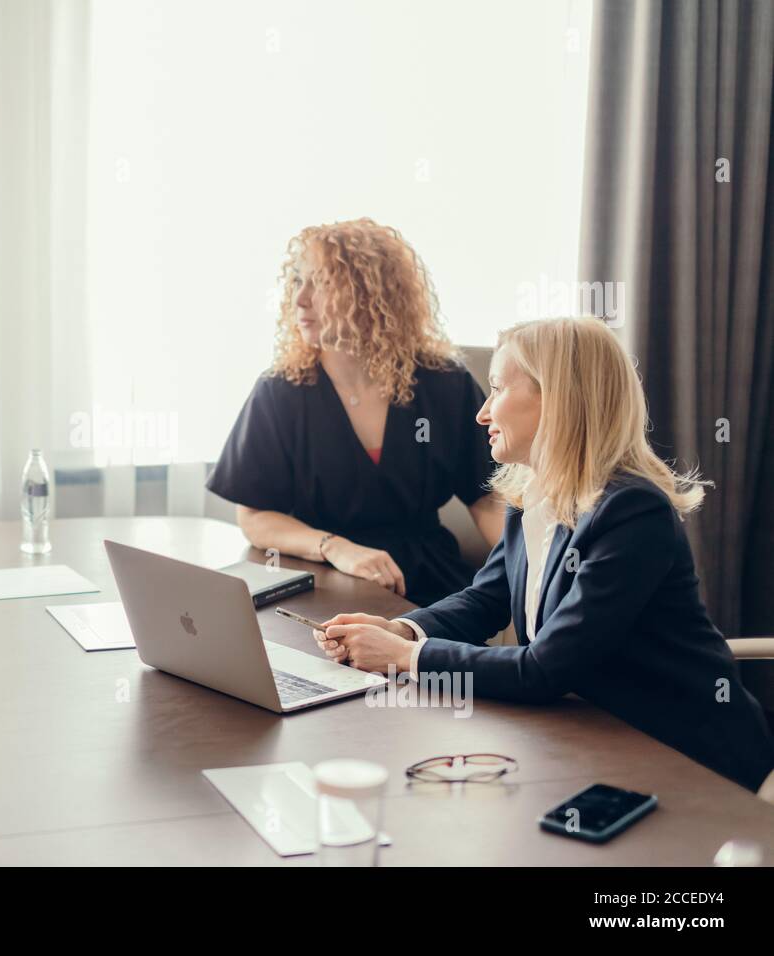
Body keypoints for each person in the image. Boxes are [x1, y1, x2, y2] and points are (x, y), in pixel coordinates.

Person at [313, 317, 774, 797]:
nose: (482, 413)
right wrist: (403, 630)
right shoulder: (533, 497)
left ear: (558, 399)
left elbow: (543, 670)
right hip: (593, 738)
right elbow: (484, 600)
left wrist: (407, 657)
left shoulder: (633, 513)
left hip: (690, 759)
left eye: (497, 389)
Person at [208, 218, 503, 607]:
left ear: (372, 294)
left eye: (322, 283)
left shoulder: (445, 383)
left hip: (425, 584)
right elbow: (255, 516)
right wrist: (335, 547)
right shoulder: (281, 391)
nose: (300, 300)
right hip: (321, 579)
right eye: (298, 281)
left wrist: (535, 575)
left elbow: (487, 498)